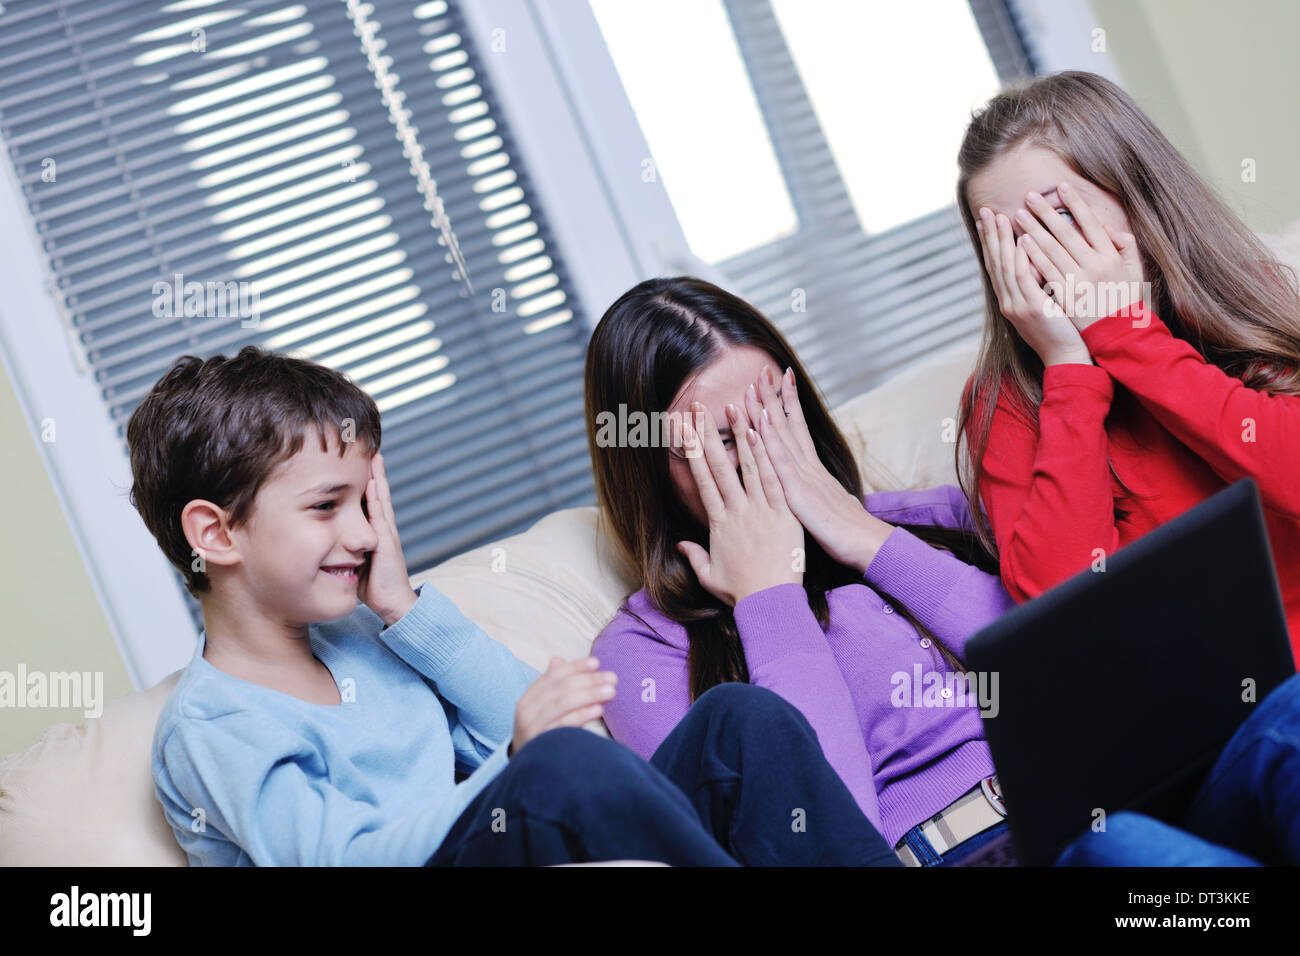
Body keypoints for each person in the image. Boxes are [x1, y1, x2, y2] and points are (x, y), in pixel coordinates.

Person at [131, 345, 892, 866]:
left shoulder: (365, 640)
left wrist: (402, 608)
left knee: (737, 720)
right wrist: (519, 761)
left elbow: (553, 733)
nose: (364, 534)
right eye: (327, 506)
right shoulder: (215, 725)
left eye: (367, 503)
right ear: (216, 533)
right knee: (555, 764)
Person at [586, 276, 1019, 866]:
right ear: (646, 467)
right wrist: (770, 598)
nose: (762, 452)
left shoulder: (918, 520)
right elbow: (831, 838)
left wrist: (867, 538)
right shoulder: (643, 653)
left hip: (1083, 790)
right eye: (721, 440)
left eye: (775, 415)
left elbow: (1072, 669)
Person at [954, 70, 1300, 664]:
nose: (1039, 256)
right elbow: (1065, 610)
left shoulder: (1245, 296)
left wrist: (1124, 332)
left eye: (1058, 217)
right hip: (1214, 699)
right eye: (1007, 241)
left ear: (1137, 194)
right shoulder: (1003, 400)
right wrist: (1069, 369)